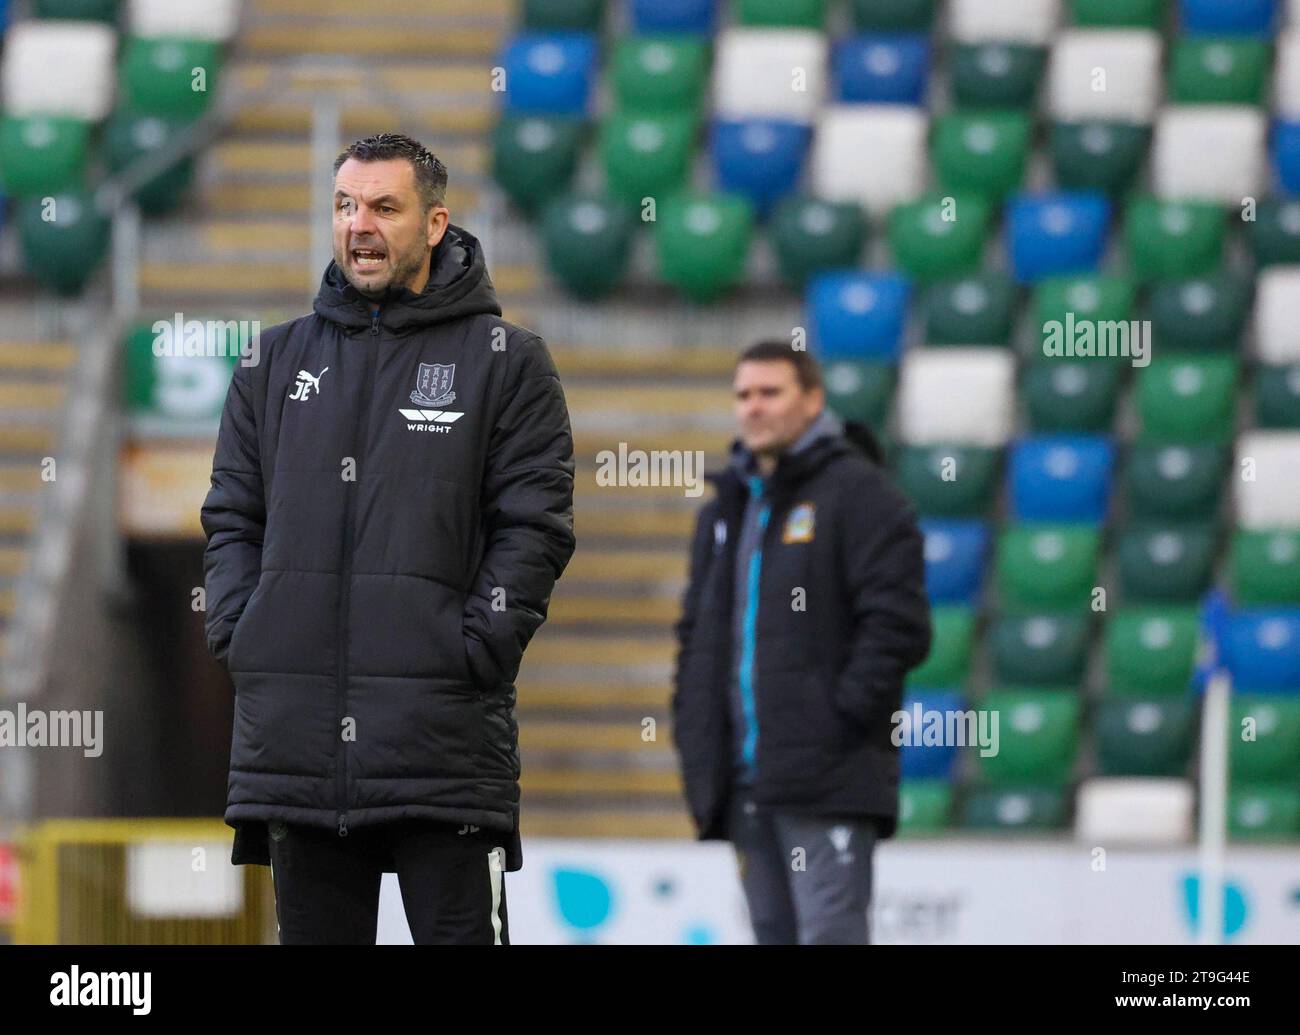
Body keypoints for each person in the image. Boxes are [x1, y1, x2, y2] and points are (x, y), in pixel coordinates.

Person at [200, 133, 575, 944]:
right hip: (296, 749)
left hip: (441, 750)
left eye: (383, 206)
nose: (358, 225)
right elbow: (232, 515)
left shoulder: (507, 364)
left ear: (435, 223)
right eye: (344, 205)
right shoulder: (272, 361)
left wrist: (474, 645)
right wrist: (243, 630)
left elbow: (535, 528)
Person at [671, 341, 931, 945]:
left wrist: (836, 719)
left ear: (813, 400)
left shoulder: (862, 495)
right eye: (743, 395)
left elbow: (899, 624)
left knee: (830, 936)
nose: (753, 408)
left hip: (827, 775)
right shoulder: (724, 510)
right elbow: (696, 638)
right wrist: (693, 731)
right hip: (741, 778)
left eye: (770, 392)